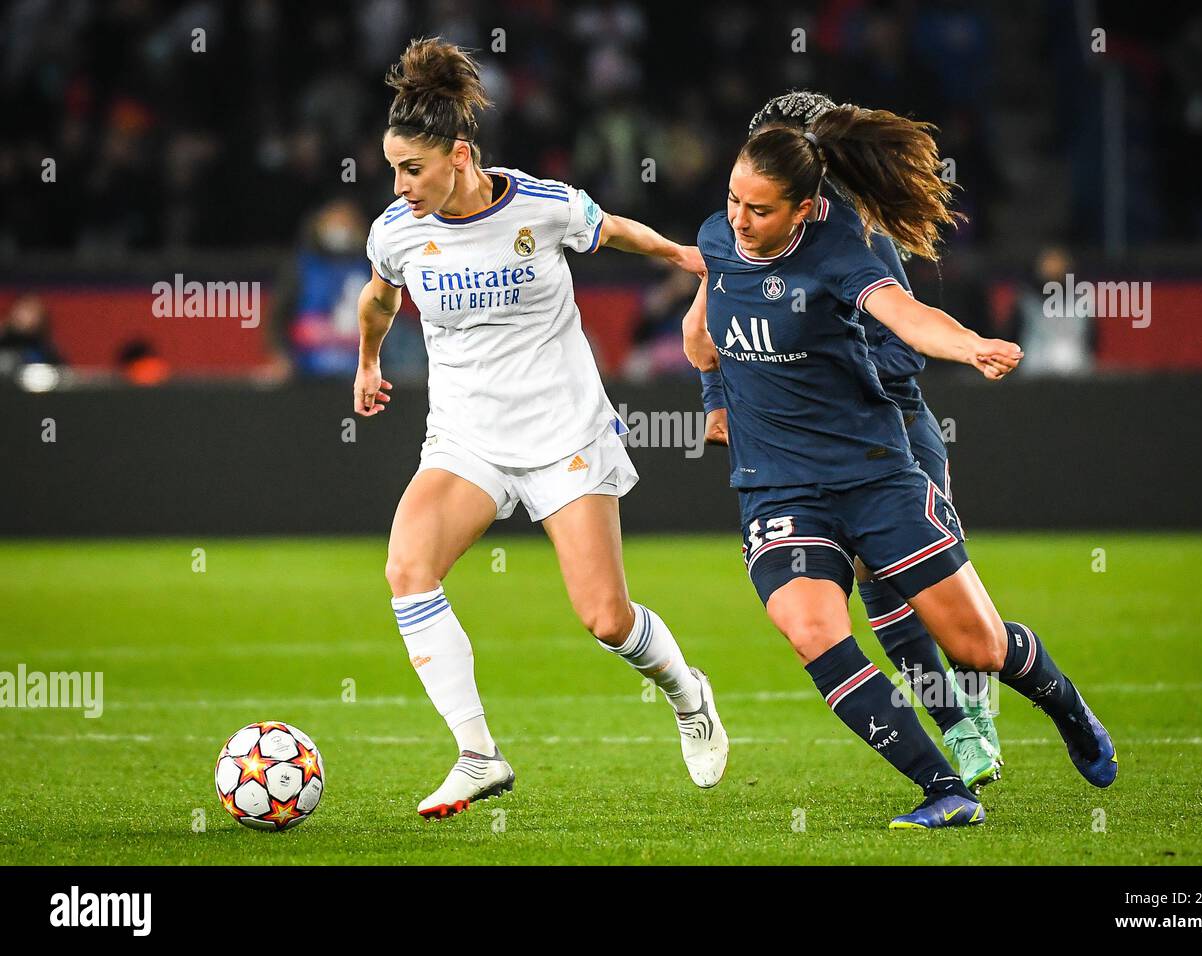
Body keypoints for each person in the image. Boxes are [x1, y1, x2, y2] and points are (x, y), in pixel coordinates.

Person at [685, 105, 1117, 829]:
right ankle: (945, 788)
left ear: (803, 208)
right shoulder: (718, 237)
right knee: (810, 628)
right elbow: (704, 329)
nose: (739, 218)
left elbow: (906, 319)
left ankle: (1067, 710)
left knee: (975, 646)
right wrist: (709, 369)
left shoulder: (844, 248)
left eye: (758, 208)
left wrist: (971, 343)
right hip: (777, 486)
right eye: (733, 200)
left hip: (872, 473)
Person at [356, 37, 728, 820]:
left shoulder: (542, 205)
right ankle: (478, 755)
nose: (400, 185)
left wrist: (681, 255)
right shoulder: (396, 229)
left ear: (459, 154)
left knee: (606, 619)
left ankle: (688, 693)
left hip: (563, 432)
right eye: (392, 169)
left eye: (411, 169)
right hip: (465, 437)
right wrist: (368, 361)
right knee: (407, 570)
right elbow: (379, 299)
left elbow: (616, 230)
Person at [689, 92, 1002, 792]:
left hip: (885, 425)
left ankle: (976, 713)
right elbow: (707, 328)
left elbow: (901, 345)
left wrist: (832, 381)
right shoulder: (749, 236)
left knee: (914, 587)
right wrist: (719, 399)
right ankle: (955, 728)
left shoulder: (853, 237)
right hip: (816, 443)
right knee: (872, 587)